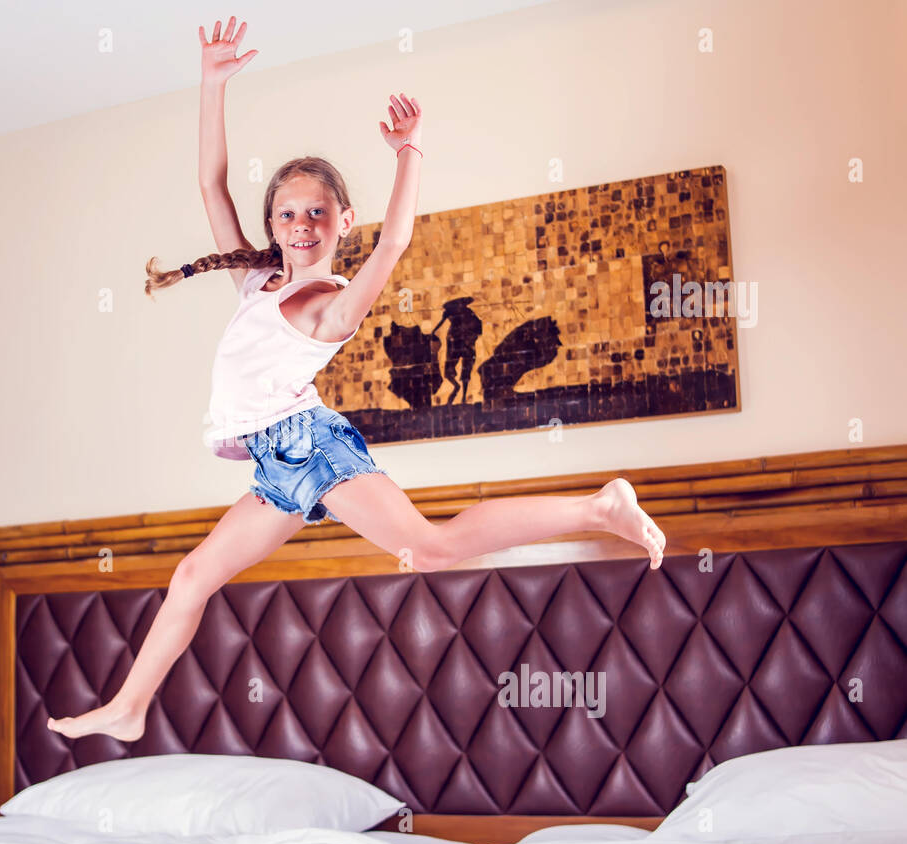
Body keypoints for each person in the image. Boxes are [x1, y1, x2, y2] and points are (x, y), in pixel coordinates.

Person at [47, 16, 665, 742]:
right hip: (279, 465)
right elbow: (211, 182)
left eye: (318, 211)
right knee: (190, 579)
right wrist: (211, 86)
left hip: (311, 448)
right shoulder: (259, 284)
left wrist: (410, 153)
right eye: (287, 212)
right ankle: (129, 706)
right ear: (273, 225)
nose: (302, 222)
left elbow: (397, 241)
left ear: (343, 220)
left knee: (430, 550)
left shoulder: (325, 307)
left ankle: (599, 508)